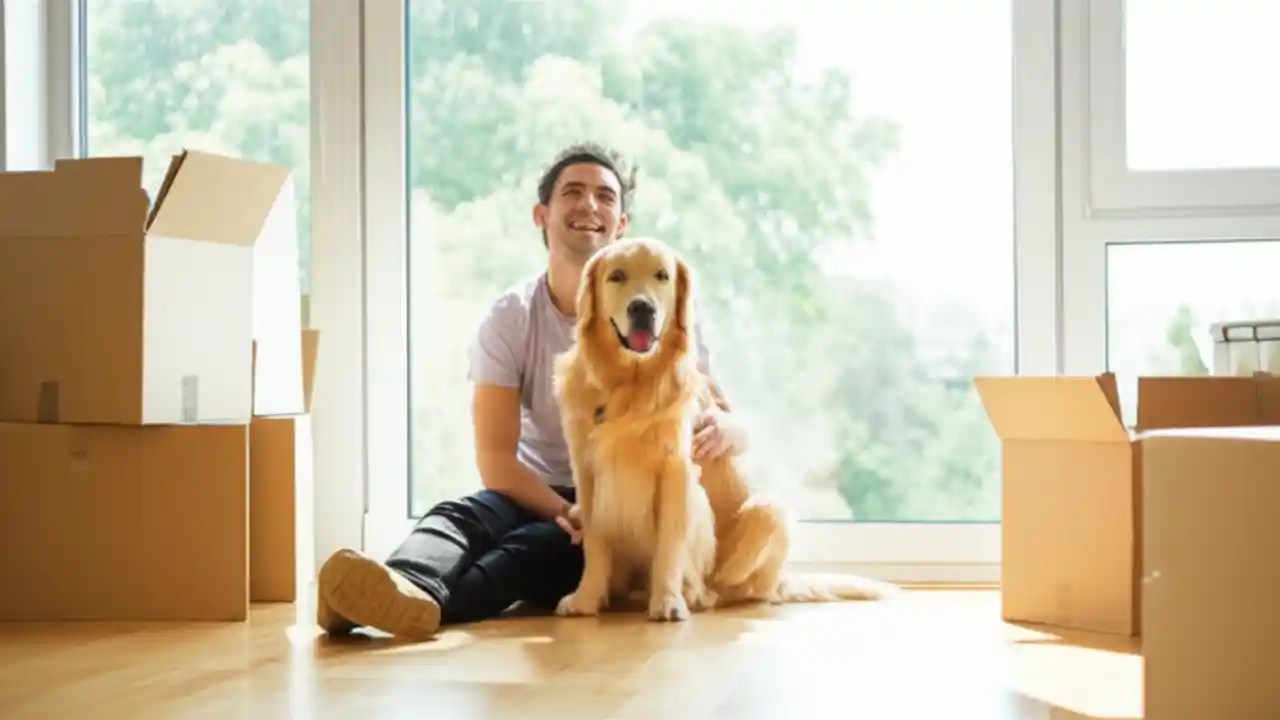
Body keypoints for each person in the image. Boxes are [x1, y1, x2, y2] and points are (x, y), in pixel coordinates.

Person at [315, 142, 748, 640]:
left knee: (527, 552)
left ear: (621, 225)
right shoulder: (512, 316)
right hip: (531, 489)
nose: (589, 206)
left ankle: (390, 607)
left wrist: (735, 430)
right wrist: (564, 509)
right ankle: (397, 585)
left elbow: (722, 412)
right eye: (573, 192)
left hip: (613, 510)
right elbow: (496, 459)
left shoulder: (661, 312)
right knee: (459, 516)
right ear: (542, 215)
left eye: (605, 197)